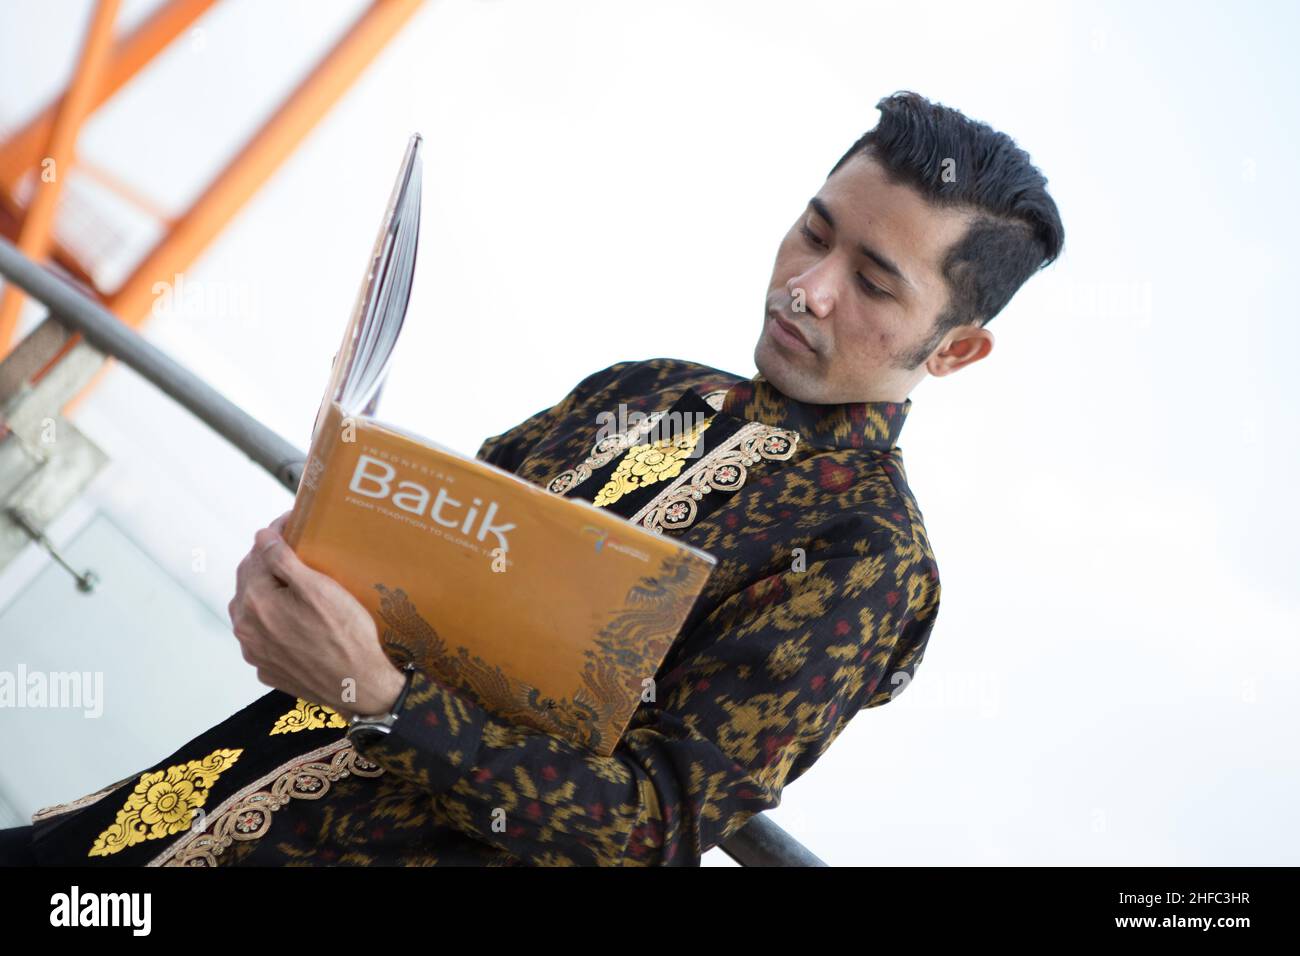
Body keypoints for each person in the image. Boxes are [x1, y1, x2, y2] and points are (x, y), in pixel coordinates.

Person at [0, 90, 1063, 867]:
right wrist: (304, 566)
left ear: (955, 348)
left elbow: (655, 829)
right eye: (813, 232)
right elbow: (411, 554)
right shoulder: (647, 386)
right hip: (165, 811)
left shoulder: (865, 556)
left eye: (871, 281)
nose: (808, 286)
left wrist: (386, 700)